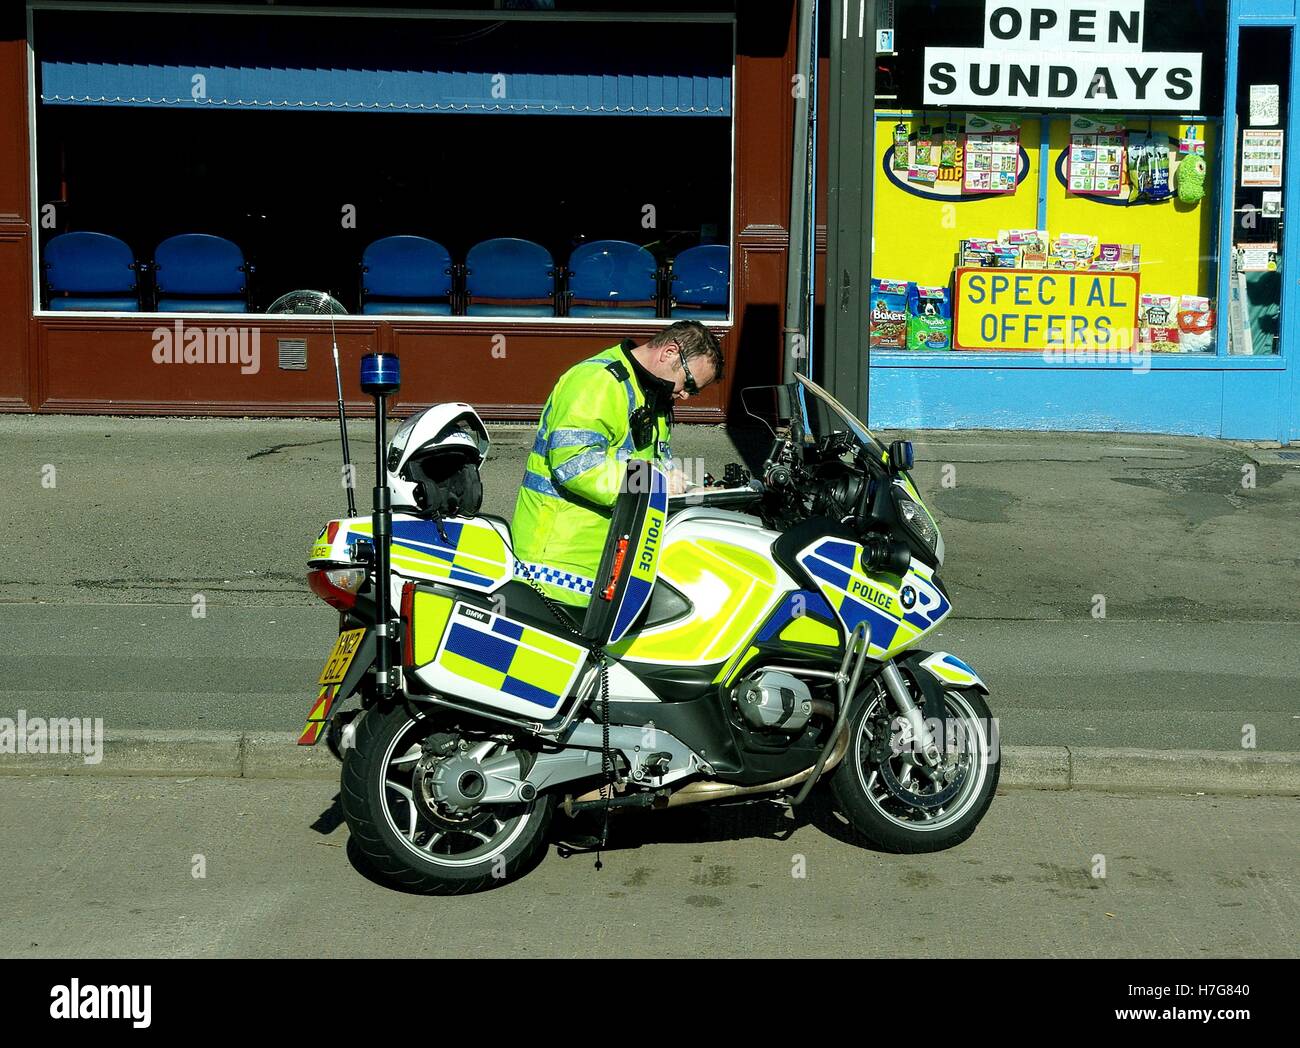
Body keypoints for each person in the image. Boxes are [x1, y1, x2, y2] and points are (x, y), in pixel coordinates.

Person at [512, 320, 723, 609]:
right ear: (670, 352)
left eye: (693, 392)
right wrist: (657, 483)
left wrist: (695, 491)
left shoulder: (649, 394)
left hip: (601, 558)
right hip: (557, 565)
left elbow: (653, 465)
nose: (686, 395)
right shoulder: (597, 381)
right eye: (688, 384)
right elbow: (576, 465)